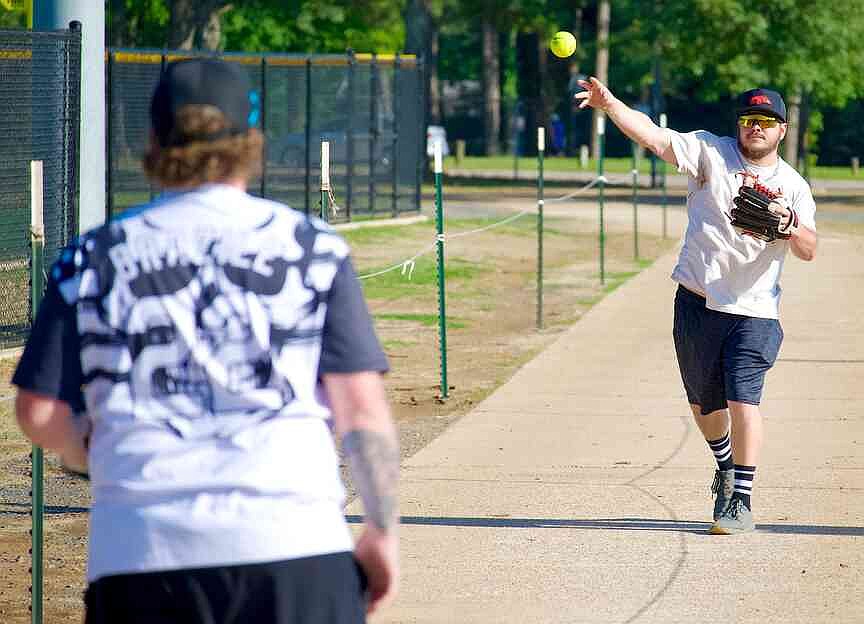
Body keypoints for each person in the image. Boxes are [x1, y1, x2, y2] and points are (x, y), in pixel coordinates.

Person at [14, 58, 399, 622]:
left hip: (141, 554)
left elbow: (38, 409)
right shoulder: (314, 249)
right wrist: (381, 531)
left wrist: (90, 452)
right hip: (294, 545)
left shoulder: (90, 258)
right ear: (252, 140)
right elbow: (361, 413)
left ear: (152, 139)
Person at [574, 77, 817, 534]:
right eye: (749, 120)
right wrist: (610, 105)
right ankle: (725, 466)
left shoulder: (794, 186)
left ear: (782, 130)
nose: (756, 128)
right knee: (703, 406)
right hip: (697, 302)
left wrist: (787, 223)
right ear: (739, 126)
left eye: (767, 121)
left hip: (755, 310)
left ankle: (741, 499)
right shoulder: (711, 154)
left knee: (742, 398)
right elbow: (653, 135)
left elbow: (809, 248)